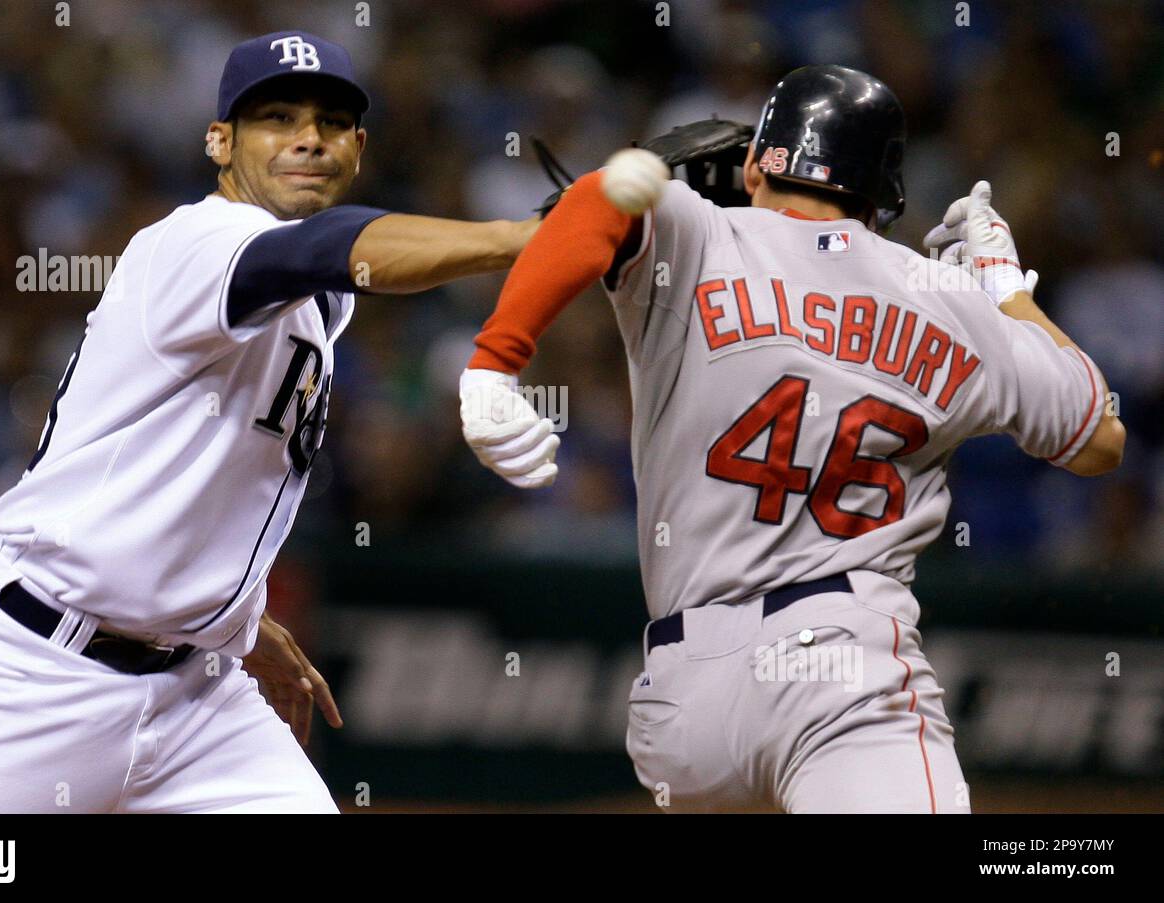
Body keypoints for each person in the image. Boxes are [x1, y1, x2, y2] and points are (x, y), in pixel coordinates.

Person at [0, 29, 538, 813]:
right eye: (276, 118)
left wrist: (237, 621)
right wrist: (525, 238)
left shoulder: (325, 300)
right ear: (220, 140)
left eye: (328, 123)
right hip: (31, 669)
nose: (306, 140)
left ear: (359, 145)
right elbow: (329, 246)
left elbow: (212, 465)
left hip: (198, 697)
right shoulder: (198, 242)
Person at [457, 65, 1124, 812]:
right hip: (842, 672)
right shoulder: (952, 300)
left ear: (752, 164)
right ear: (885, 196)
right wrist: (1007, 292)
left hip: (684, 698)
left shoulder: (700, 234)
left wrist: (494, 362)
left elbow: (601, 196)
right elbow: (1099, 437)